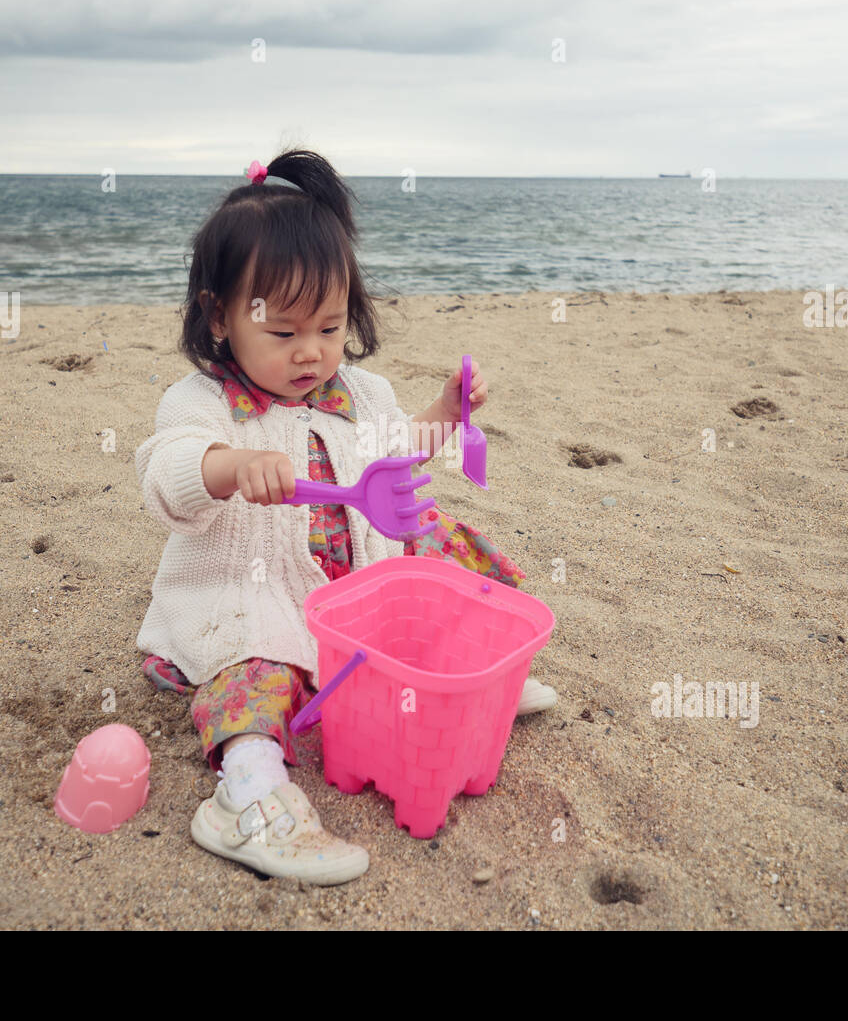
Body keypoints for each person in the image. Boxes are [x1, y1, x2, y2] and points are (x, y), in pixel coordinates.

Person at [134, 148, 557, 885]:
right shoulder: (203, 405)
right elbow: (165, 477)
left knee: (430, 546)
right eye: (284, 332)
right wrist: (228, 468)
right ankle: (251, 794)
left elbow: (397, 453)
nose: (311, 352)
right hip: (257, 592)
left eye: (329, 328)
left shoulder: (354, 394)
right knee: (253, 664)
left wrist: (447, 412)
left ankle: (464, 673)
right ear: (220, 317)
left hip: (359, 588)